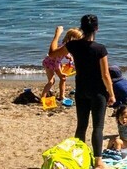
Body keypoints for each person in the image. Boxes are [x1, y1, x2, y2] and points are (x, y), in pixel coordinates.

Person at [49, 15, 116, 169]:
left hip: (81, 90)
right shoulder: (100, 49)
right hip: (98, 92)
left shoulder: (73, 45)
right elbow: (105, 75)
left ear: (81, 28)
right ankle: (98, 161)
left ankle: (79, 157)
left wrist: (57, 34)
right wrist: (111, 94)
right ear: (97, 29)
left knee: (81, 126)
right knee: (98, 127)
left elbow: (52, 53)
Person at [42, 28, 80, 98]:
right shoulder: (64, 46)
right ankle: (42, 98)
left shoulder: (66, 45)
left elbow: (64, 52)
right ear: (72, 39)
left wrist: (69, 56)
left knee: (62, 79)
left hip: (55, 62)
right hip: (49, 63)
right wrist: (61, 72)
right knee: (51, 81)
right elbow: (56, 62)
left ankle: (61, 96)